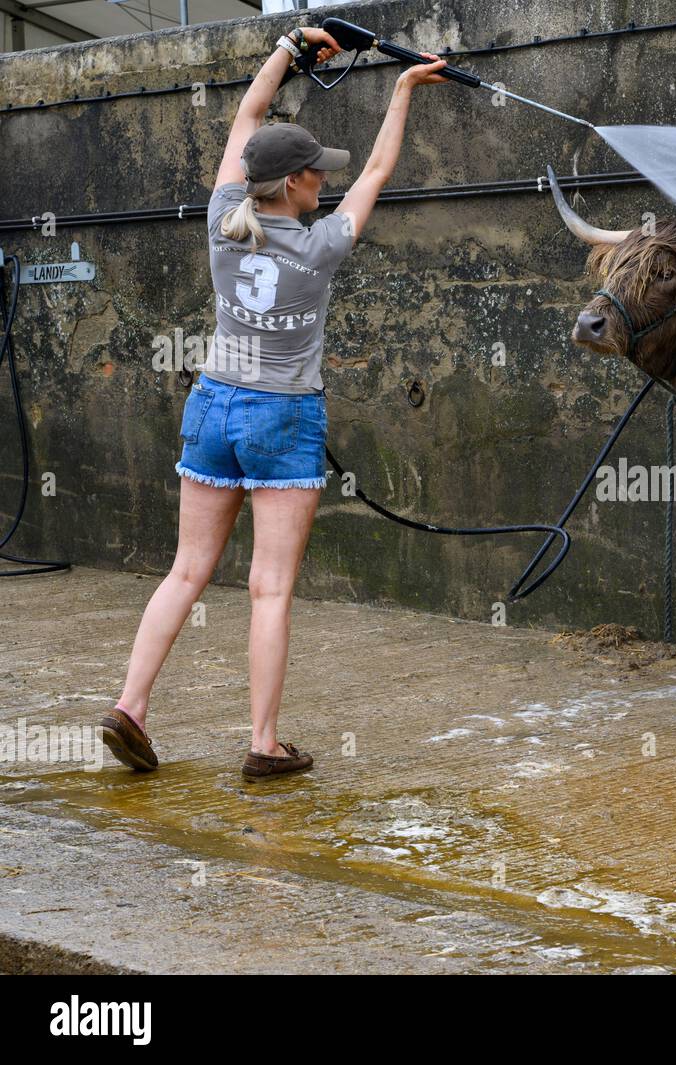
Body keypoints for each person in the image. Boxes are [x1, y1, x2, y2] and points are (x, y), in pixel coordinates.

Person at [99, 26, 448, 779]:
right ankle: (262, 742)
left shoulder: (225, 216)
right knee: (270, 587)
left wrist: (288, 47)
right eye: (317, 173)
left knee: (186, 571)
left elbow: (246, 120)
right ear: (292, 185)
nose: (325, 179)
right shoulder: (319, 246)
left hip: (213, 403)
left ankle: (130, 705)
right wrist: (402, 92)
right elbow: (381, 169)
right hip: (283, 416)